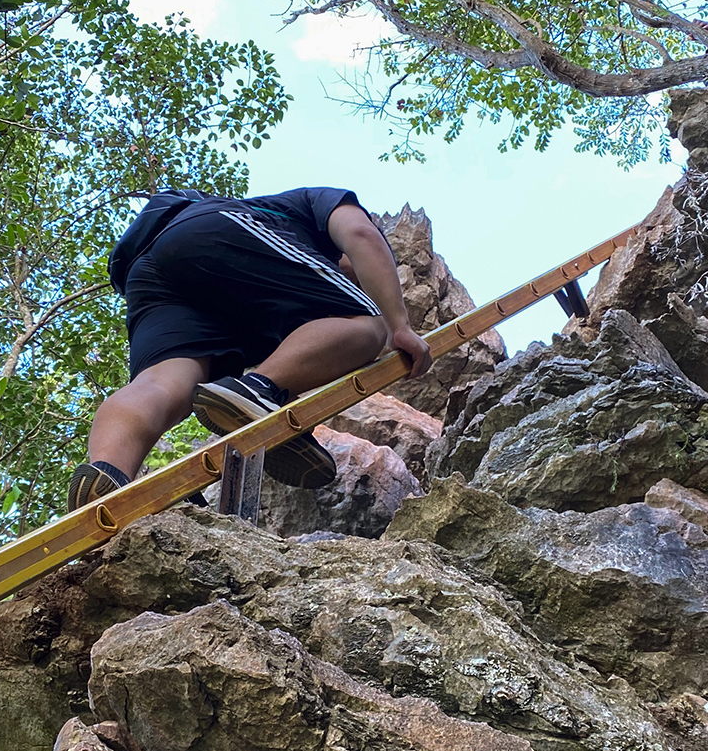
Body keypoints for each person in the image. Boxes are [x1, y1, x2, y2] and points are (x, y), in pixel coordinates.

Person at [68, 185, 434, 513]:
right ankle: (259, 392)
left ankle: (106, 476)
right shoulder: (316, 203)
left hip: (147, 273)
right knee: (369, 326)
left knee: (162, 384)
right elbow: (360, 233)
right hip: (210, 229)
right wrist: (398, 325)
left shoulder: (273, 293)